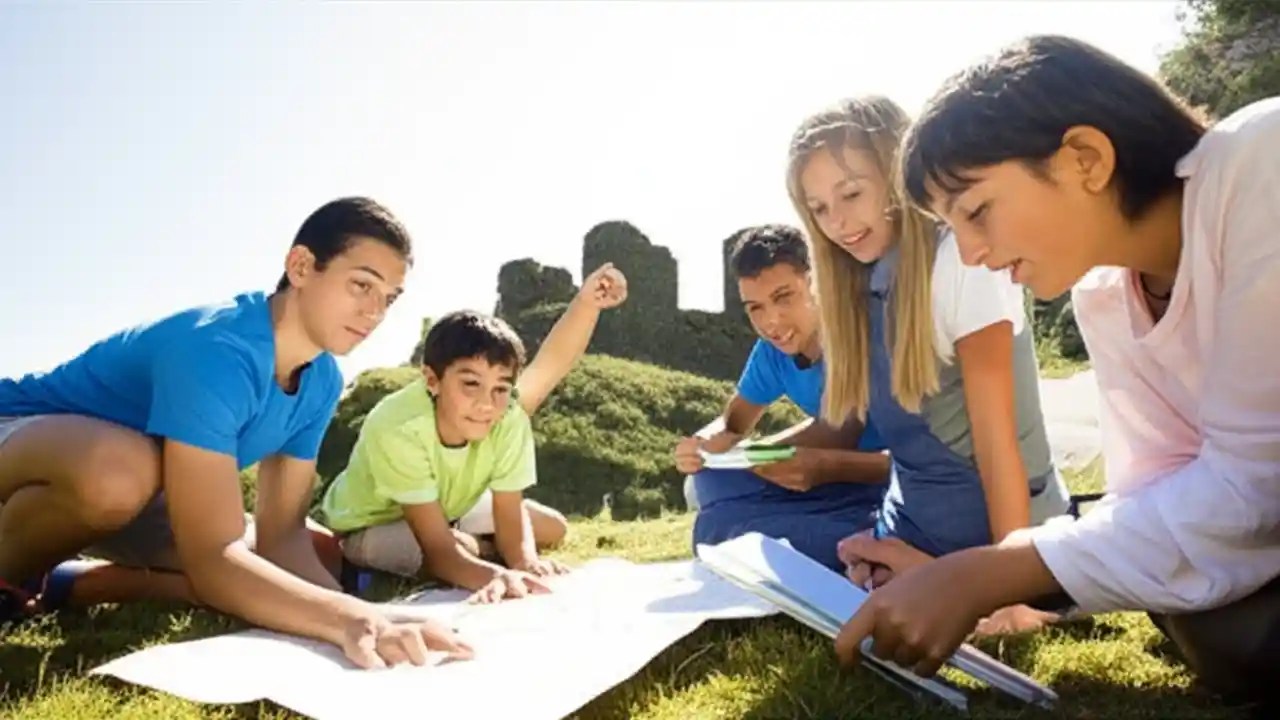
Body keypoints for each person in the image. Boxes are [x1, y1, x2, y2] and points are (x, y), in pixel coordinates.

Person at [832, 36, 1280, 708]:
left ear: (1085, 159)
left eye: (977, 211)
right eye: (954, 228)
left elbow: (1254, 482)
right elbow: (1152, 497)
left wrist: (992, 572)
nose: (975, 254)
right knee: (1209, 620)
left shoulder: (1259, 161)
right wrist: (971, 578)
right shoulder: (1105, 297)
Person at [0, 197, 473, 668]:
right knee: (120, 473)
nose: (375, 312)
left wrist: (368, 616)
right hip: (27, 439)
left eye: (389, 298)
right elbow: (211, 555)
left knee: (280, 570)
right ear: (301, 266)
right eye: (361, 285)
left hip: (140, 492)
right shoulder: (219, 350)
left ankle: (58, 581)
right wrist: (346, 617)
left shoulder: (322, 378)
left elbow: (280, 538)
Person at [321, 265, 628, 604]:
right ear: (432, 380)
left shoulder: (506, 415)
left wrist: (527, 564)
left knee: (551, 527)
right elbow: (438, 550)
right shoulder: (399, 426)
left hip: (449, 508)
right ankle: (475, 549)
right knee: (460, 552)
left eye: (500, 388)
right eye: (470, 384)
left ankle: (475, 546)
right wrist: (498, 574)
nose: (486, 404)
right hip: (371, 524)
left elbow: (509, 511)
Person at [674, 224, 889, 572]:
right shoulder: (771, 352)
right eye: (754, 307)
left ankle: (870, 543)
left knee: (717, 529)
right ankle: (848, 541)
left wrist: (798, 461)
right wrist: (704, 443)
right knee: (710, 485)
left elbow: (843, 437)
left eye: (784, 297)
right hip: (834, 484)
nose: (771, 321)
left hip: (896, 480)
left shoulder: (862, 335)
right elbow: (733, 424)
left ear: (817, 281)